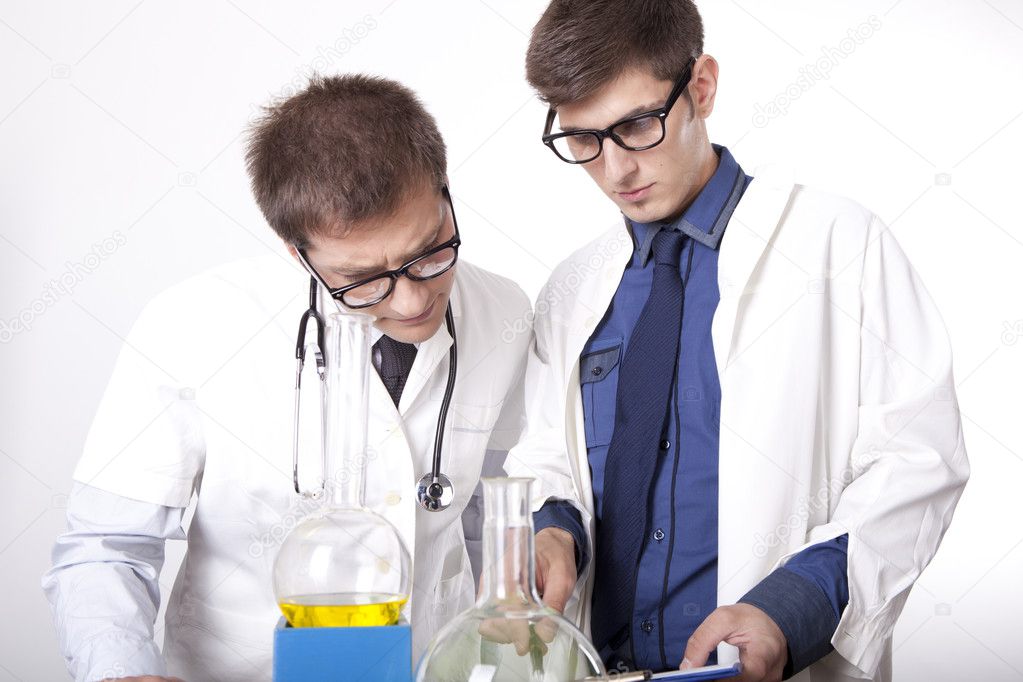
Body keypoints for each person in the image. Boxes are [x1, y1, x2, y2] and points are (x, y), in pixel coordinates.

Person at [504, 2, 969, 681]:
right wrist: (551, 529)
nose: (613, 171)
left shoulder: (837, 243)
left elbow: (918, 461)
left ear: (701, 88)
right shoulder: (571, 287)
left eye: (635, 126)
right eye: (582, 141)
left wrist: (792, 606)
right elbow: (549, 450)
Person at [41, 74, 531, 682]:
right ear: (296, 253)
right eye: (361, 279)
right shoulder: (192, 324)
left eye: (429, 252)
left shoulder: (505, 313)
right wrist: (119, 672)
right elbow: (106, 548)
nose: (409, 302)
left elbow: (484, 505)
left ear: (445, 192)